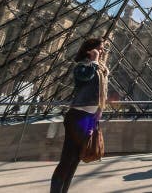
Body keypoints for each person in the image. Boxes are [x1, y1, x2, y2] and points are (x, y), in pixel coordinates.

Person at [50, 37, 109, 193]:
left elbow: (99, 94)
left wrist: (98, 111)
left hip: (88, 119)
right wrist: (94, 61)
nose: (103, 51)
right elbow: (83, 78)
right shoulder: (82, 66)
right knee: (67, 159)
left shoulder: (101, 69)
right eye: (100, 48)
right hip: (77, 116)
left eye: (103, 48)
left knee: (75, 159)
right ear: (89, 50)